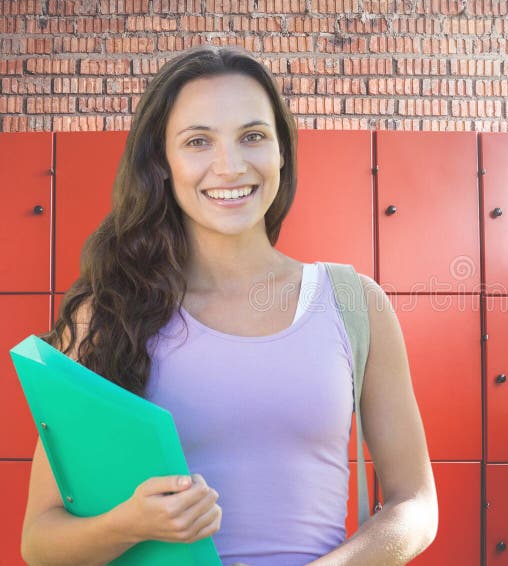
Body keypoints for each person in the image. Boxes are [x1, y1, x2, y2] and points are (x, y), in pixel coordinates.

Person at [21, 45, 438, 566]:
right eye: (198, 141)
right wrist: (128, 525)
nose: (230, 165)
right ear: (162, 163)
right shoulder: (106, 315)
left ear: (281, 152)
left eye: (253, 136)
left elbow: (415, 502)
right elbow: (40, 542)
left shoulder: (355, 303)